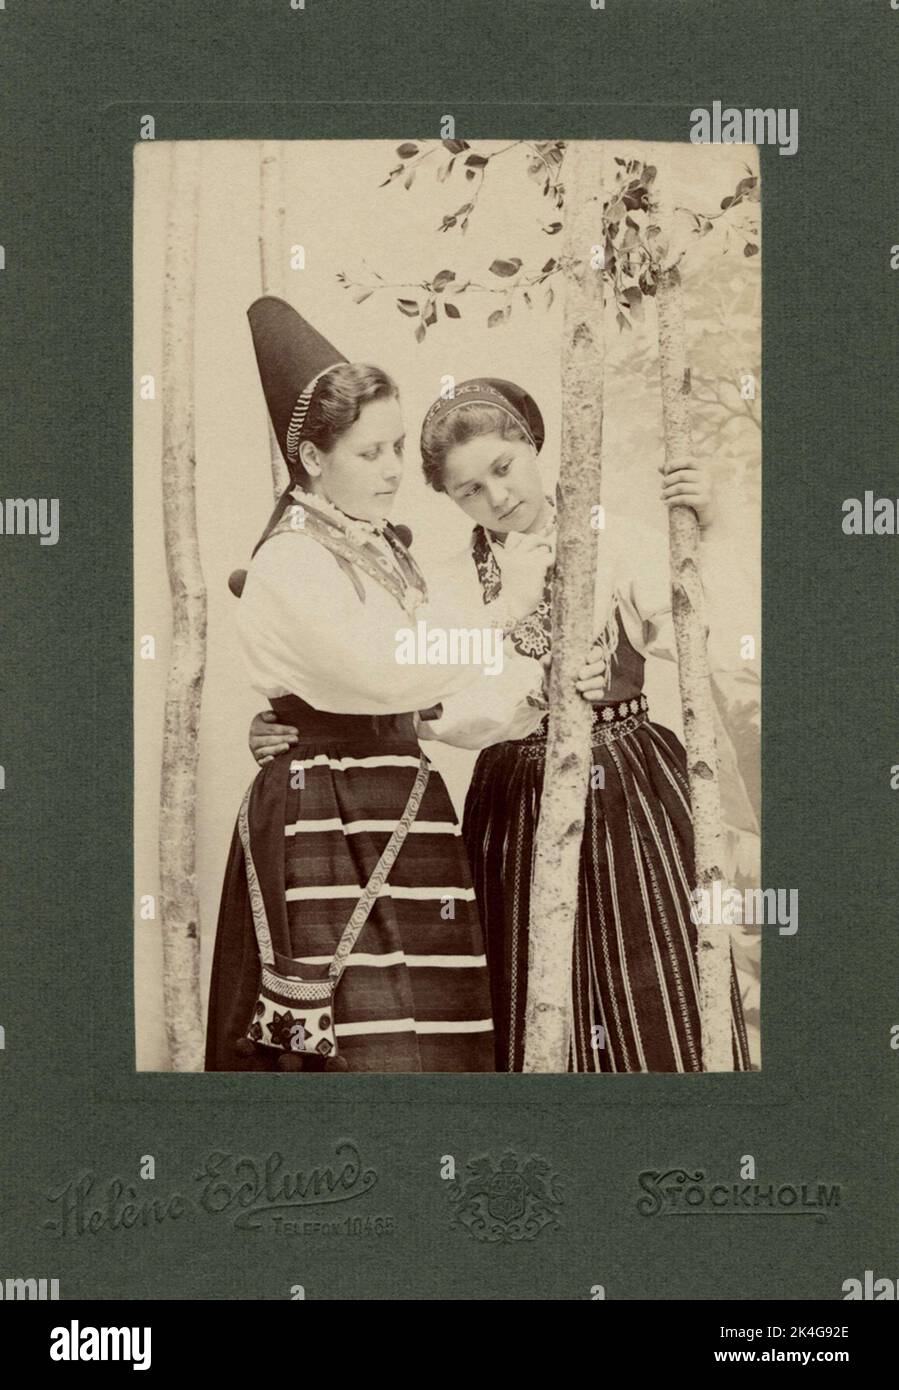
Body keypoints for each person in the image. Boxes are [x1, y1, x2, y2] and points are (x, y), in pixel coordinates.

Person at [252, 377, 752, 1074]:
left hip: (630, 788)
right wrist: (297, 725)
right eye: (468, 491)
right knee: (532, 981)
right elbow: (435, 706)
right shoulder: (448, 580)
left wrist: (709, 528)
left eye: (502, 469)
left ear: (531, 446)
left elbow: (702, 638)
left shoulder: (620, 542)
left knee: (651, 974)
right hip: (516, 795)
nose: (496, 497)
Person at [206, 309, 552, 1073]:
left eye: (397, 446)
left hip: (399, 797)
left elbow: (436, 691)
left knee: (433, 1029)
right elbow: (385, 670)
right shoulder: (291, 560)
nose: (396, 469)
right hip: (325, 821)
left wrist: (535, 695)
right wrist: (505, 613)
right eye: (371, 451)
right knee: (363, 1040)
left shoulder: (380, 551)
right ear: (311, 457)